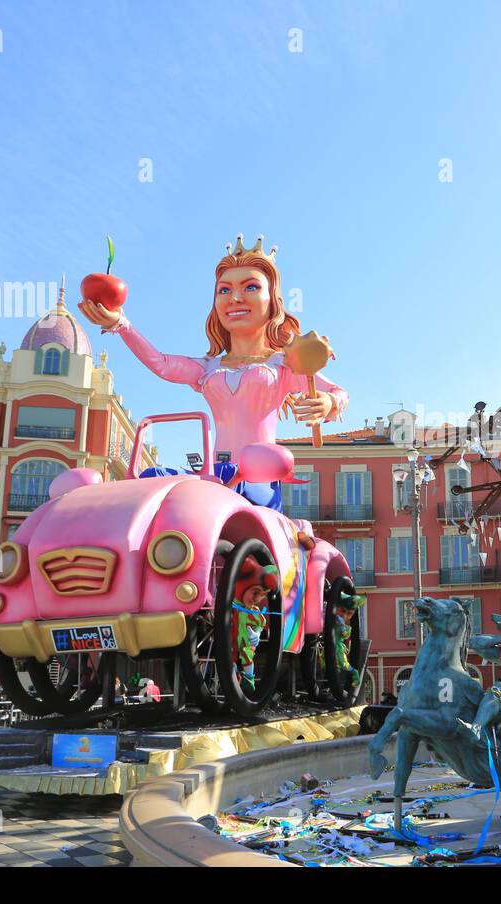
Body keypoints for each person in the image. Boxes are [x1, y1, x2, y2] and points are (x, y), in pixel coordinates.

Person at [78, 236, 348, 506]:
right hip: (214, 474)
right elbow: (160, 363)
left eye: (251, 287)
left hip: (258, 477)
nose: (236, 298)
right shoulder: (208, 367)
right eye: (224, 290)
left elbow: (338, 393)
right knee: (153, 477)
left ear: (273, 300)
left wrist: (329, 402)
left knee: (227, 497)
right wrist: (122, 324)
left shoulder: (283, 364)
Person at [232, 557, 278, 690]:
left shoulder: (254, 612)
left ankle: (248, 678)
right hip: (229, 645)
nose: (257, 599)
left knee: (248, 654)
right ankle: (234, 677)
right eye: (255, 592)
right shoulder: (229, 607)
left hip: (245, 644)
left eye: (262, 595)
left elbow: (260, 624)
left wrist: (257, 634)